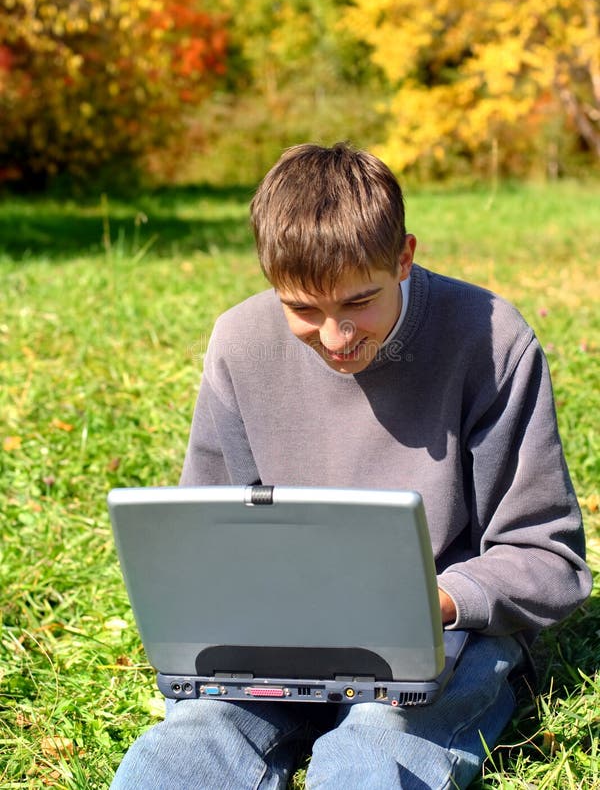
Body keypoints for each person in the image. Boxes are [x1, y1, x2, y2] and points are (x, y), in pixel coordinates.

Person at [111, 142, 591, 789]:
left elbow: (547, 558)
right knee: (192, 740)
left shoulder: (492, 340)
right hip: (277, 632)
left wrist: (432, 602)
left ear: (404, 257)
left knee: (376, 745)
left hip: (442, 632)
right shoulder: (239, 342)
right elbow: (208, 533)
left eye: (360, 301)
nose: (336, 338)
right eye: (304, 310)